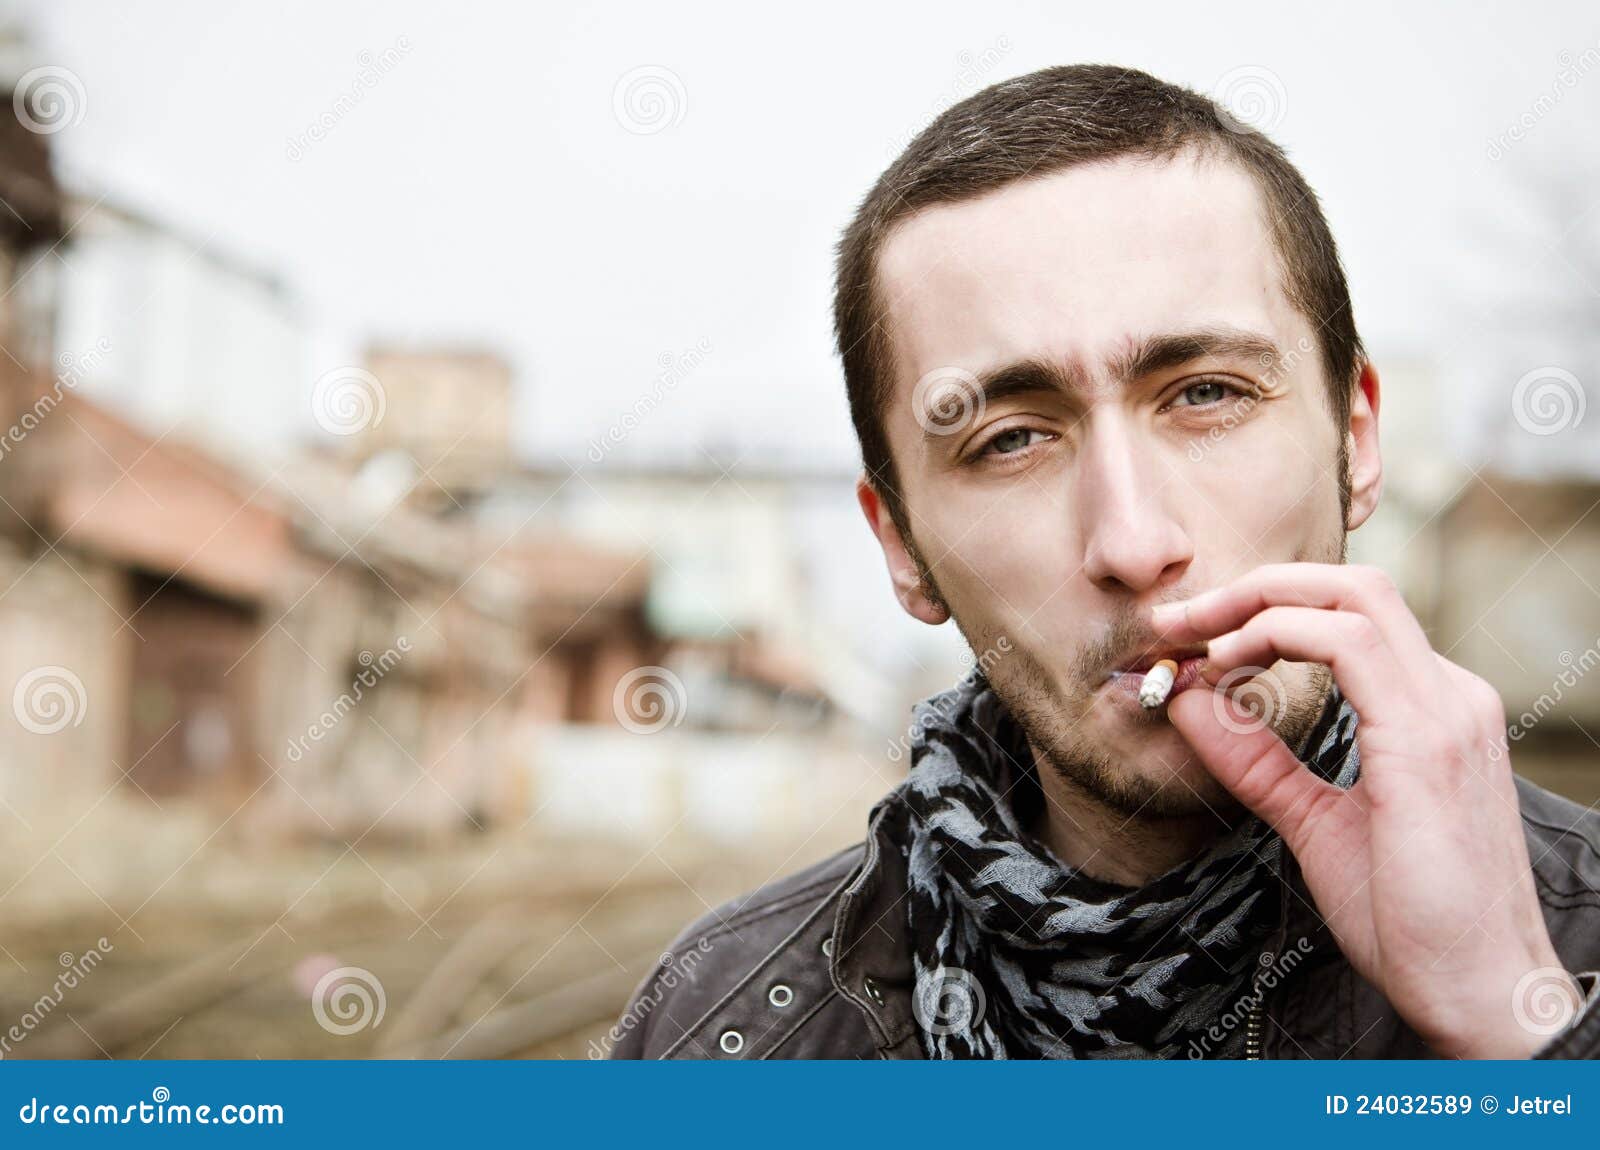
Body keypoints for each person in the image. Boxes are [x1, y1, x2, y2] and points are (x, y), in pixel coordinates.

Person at [607, 63, 1600, 1060]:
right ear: (901, 548)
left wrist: (1520, 1023)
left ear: (1357, 438)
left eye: (1207, 394)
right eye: (1009, 440)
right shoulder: (716, 1031)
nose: (1132, 543)